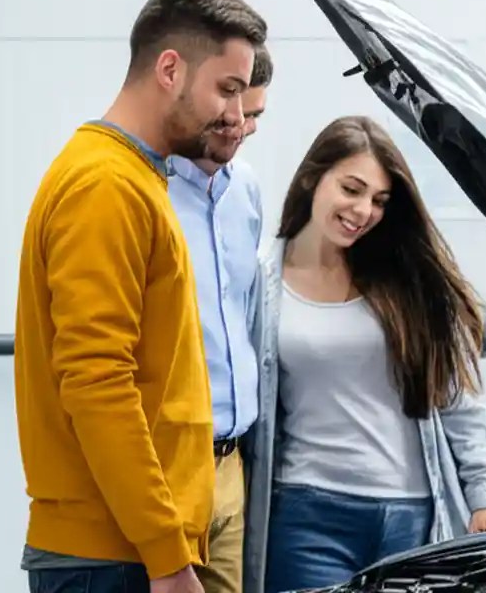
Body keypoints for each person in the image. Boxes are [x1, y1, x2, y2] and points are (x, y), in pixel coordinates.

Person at [13, 0, 267, 593]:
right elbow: (98, 382)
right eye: (227, 89)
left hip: (129, 547)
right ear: (170, 69)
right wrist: (167, 558)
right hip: (113, 556)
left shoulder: (133, 177)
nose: (237, 117)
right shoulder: (106, 186)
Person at [240, 115, 486, 593]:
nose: (363, 210)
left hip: (411, 520)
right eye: (351, 189)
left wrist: (483, 499)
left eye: (380, 200)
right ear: (312, 178)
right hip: (307, 516)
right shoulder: (261, 280)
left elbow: (457, 400)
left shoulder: (407, 281)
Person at [166, 43, 275, 593]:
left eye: (254, 115)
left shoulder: (247, 190)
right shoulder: (148, 189)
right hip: (166, 465)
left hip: (230, 467)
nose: (241, 126)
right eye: (232, 109)